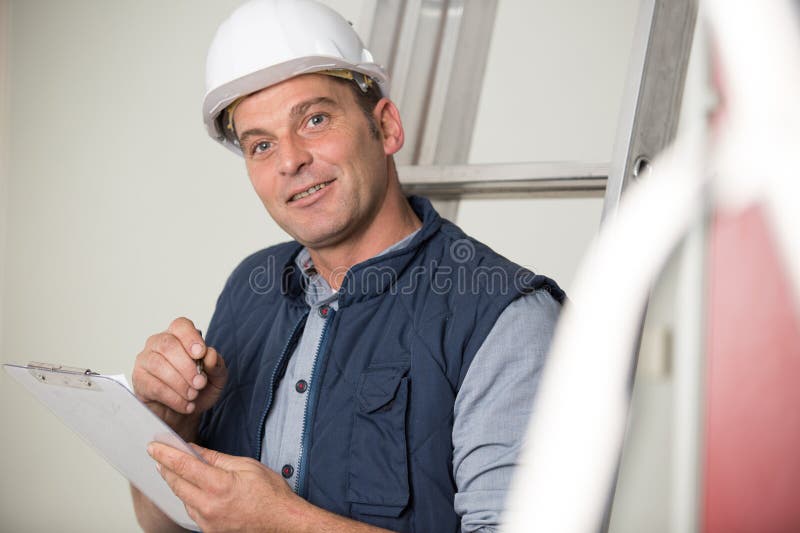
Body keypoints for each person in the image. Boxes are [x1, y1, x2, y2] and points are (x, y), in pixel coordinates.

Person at [131, 1, 565, 531]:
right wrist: (169, 424)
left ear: (385, 127)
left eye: (314, 119)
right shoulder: (251, 288)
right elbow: (164, 526)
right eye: (261, 145)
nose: (290, 160)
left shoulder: (507, 319)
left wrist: (281, 521)